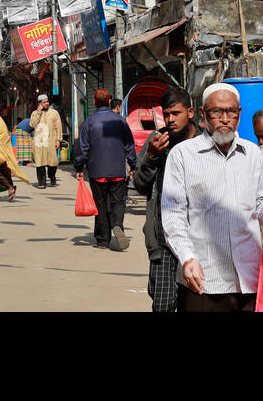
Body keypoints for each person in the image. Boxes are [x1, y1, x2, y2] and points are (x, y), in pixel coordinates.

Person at [160, 83, 263, 312]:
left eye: (231, 112)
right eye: (217, 112)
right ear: (203, 114)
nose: (225, 119)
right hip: (203, 279)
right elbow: (173, 215)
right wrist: (187, 258)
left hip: (249, 280)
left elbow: (261, 215)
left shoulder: (253, 154)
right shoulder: (183, 155)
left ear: (239, 113)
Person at [133, 87, 200, 312]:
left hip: (198, 237)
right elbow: (140, 185)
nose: (170, 120)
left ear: (190, 112)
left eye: (176, 113)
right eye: (166, 114)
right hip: (162, 238)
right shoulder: (158, 141)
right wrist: (151, 157)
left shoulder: (205, 143)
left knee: (195, 301)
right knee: (162, 303)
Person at [73, 88, 137, 251]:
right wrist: (133, 164)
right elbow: (129, 144)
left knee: (100, 204)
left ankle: (102, 239)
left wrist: (79, 166)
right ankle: (117, 225)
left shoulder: (89, 122)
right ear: (109, 101)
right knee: (118, 202)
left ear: (95, 102)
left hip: (97, 171)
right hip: (117, 170)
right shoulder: (120, 121)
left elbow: (83, 147)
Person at [30, 94, 63, 188]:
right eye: (44, 102)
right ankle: (41, 182)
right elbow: (32, 124)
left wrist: (58, 140)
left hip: (51, 141)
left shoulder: (54, 113)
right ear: (40, 103)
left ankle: (52, 175)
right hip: (39, 143)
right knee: (39, 163)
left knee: (53, 162)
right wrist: (39, 112)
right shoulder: (34, 113)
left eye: (47, 101)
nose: (47, 103)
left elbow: (58, 127)